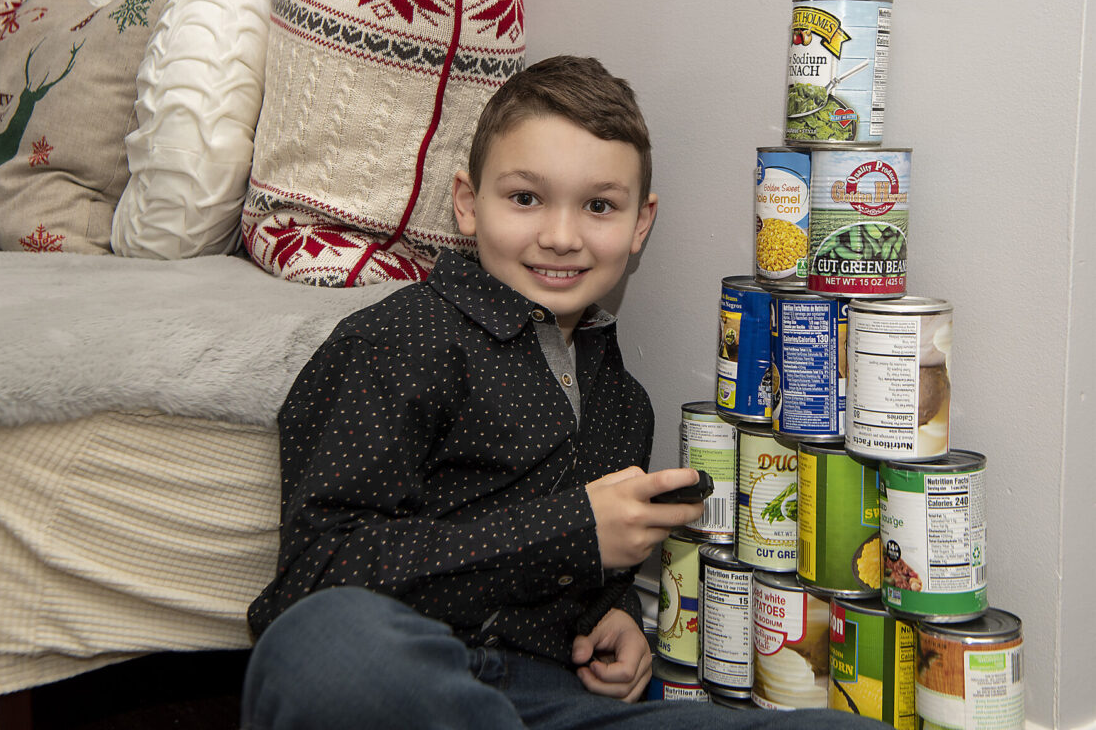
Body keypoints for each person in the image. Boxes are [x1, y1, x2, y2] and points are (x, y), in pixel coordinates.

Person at [241, 55, 884, 730]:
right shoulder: (396, 342)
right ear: (467, 202)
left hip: (554, 703)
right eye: (526, 198)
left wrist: (621, 618)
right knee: (325, 641)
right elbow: (313, 579)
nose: (560, 236)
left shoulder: (622, 401)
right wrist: (570, 532)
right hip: (414, 681)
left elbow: (592, 575)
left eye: (599, 206)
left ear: (640, 224)